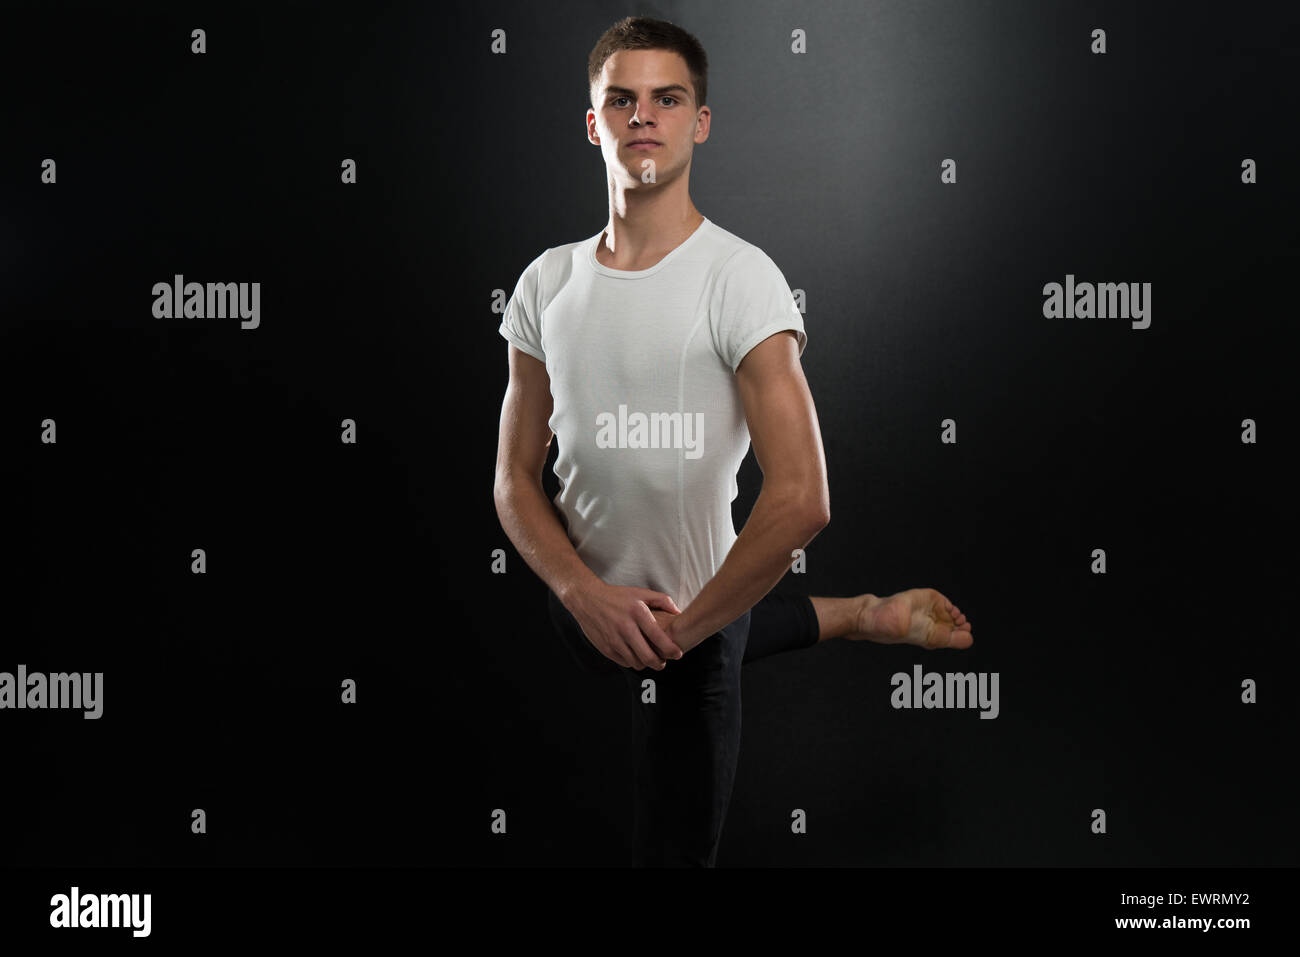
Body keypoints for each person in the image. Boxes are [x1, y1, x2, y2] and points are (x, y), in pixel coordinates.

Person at [493, 16, 973, 867]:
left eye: (667, 99)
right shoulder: (545, 281)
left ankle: (862, 616)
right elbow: (513, 481)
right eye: (622, 99)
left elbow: (801, 498)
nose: (644, 116)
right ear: (593, 123)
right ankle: (859, 613)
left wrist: (682, 633)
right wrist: (580, 593)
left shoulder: (739, 278)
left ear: (699, 122)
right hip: (582, 601)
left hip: (699, 616)